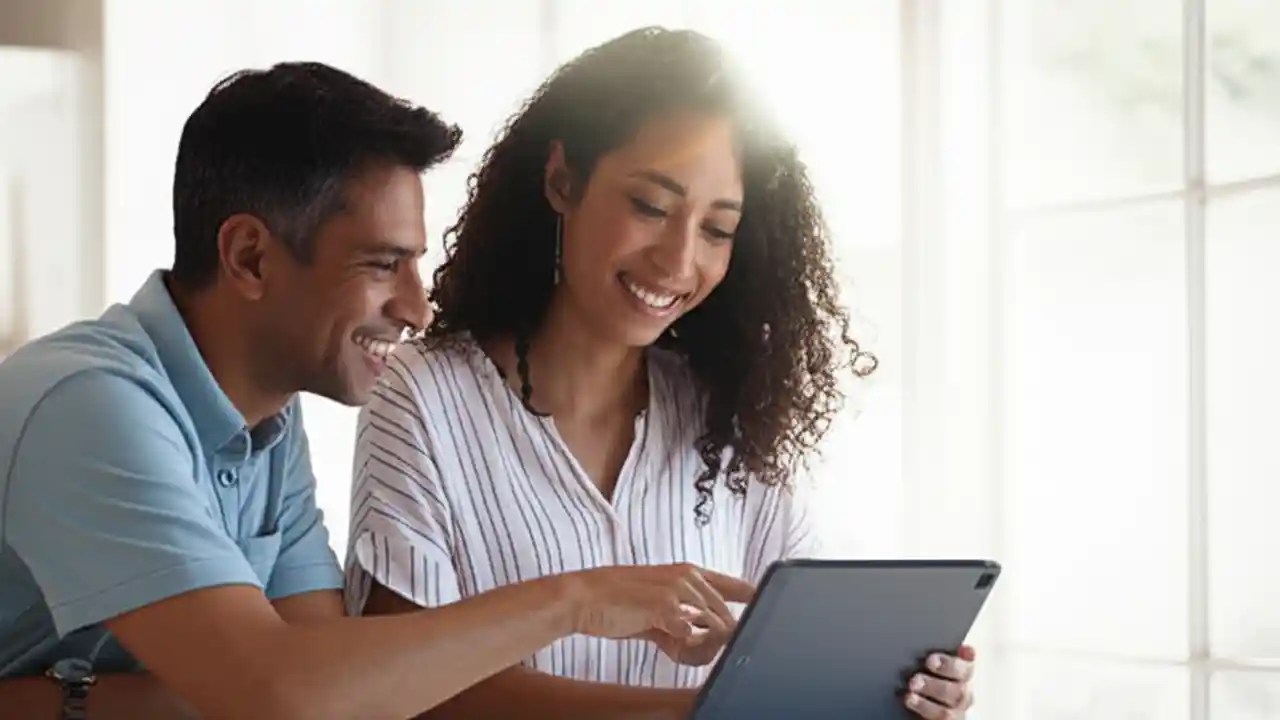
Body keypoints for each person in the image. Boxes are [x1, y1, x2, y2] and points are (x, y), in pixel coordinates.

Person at [0, 61, 752, 720]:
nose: (418, 308)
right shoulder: (90, 405)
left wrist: (75, 701)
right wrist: (578, 601)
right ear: (251, 257)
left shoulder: (265, 422)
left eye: (415, 264)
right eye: (381, 264)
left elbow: (338, 689)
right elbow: (289, 697)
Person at [346, 27, 976, 720]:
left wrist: (899, 687)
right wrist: (700, 711)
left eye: (716, 229)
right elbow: (393, 691)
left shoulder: (724, 413)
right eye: (650, 206)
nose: (678, 263)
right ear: (562, 180)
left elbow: (795, 652)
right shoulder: (422, 396)